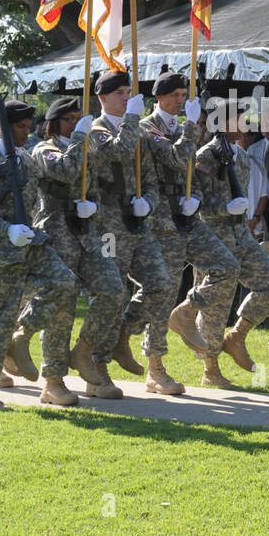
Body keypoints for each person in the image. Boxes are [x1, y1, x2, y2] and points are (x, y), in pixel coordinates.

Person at [0, 99, 80, 410]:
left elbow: (53, 180)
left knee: (64, 283)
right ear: (2, 126)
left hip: (27, 244)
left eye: (29, 127)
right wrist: (5, 230)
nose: (27, 133)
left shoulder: (26, 160)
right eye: (20, 128)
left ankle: (22, 334)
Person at [127, 71, 240, 389]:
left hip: (189, 220)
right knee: (162, 294)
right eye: (176, 95)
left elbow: (194, 172)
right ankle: (156, 369)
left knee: (227, 266)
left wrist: (197, 198)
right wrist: (192, 126)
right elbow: (177, 159)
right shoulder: (146, 129)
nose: (181, 100)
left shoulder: (183, 126)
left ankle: (187, 311)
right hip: (162, 224)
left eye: (184, 95)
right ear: (159, 97)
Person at [26, 97, 126, 398]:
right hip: (57, 235)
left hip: (86, 234)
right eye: (69, 119)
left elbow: (96, 186)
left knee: (113, 289)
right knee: (62, 307)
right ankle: (53, 381)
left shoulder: (85, 150)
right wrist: (81, 138)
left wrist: (91, 205)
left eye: (78, 118)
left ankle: (83, 352)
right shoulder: (45, 150)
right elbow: (67, 172)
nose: (75, 123)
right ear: (54, 124)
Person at [87, 71, 180, 392]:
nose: (127, 98)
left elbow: (151, 179)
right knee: (112, 294)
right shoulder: (93, 130)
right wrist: (131, 119)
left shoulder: (136, 132)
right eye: (120, 93)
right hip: (107, 229)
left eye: (129, 92)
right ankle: (98, 368)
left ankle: (123, 336)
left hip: (138, 225)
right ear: (102, 98)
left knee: (162, 284)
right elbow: (117, 152)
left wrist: (149, 202)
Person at [195, 100, 269, 360]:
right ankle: (209, 367)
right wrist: (226, 208)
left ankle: (237, 336)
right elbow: (199, 204)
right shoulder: (206, 156)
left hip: (241, 236)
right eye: (239, 118)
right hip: (214, 239)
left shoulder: (242, 157)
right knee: (214, 308)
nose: (245, 123)